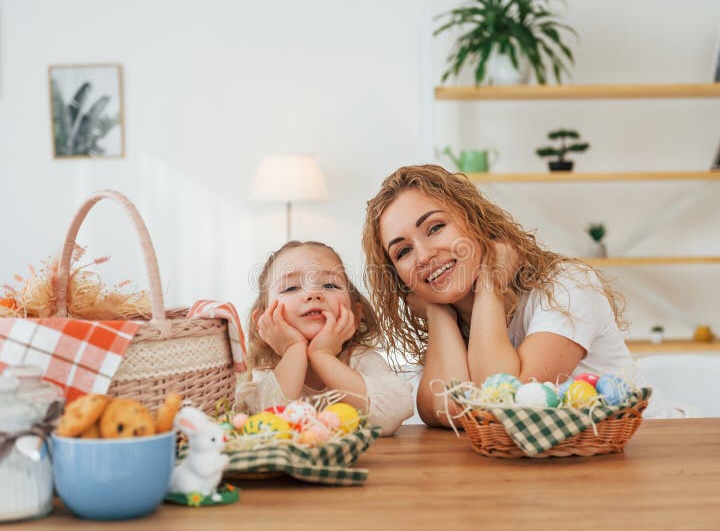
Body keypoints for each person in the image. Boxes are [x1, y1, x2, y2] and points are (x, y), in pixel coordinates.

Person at [362, 164, 679, 426]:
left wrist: (490, 283)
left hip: (660, 451)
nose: (424, 255)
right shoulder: (453, 317)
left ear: (474, 221)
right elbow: (445, 411)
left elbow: (506, 404)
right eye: (403, 251)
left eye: (435, 228)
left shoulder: (566, 287)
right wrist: (438, 314)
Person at [235, 241, 413, 436]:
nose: (313, 294)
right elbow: (263, 426)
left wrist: (323, 355)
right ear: (263, 319)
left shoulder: (361, 360)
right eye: (291, 288)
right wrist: (293, 350)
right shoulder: (267, 369)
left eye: (330, 285)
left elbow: (389, 417)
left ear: (355, 313)